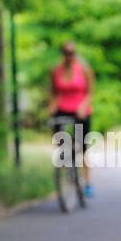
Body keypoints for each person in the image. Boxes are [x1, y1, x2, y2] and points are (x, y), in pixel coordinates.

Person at [49, 41, 96, 198]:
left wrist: (83, 107)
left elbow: (91, 93)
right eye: (66, 53)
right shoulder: (56, 71)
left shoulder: (84, 69)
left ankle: (88, 182)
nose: (69, 56)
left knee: (82, 149)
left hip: (81, 110)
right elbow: (54, 93)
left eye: (72, 53)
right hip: (63, 109)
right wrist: (52, 107)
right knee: (61, 142)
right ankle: (65, 175)